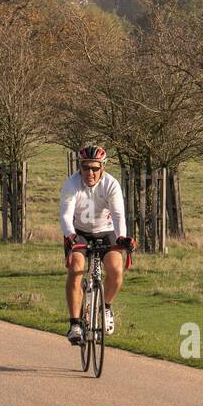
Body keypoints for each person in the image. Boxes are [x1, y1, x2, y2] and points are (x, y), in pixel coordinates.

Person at [59, 145, 133, 345]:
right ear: (79, 168)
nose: (89, 173)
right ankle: (75, 323)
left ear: (103, 168)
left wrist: (122, 237)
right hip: (79, 233)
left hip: (106, 231)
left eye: (94, 168)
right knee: (76, 269)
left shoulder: (111, 184)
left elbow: (118, 215)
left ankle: (106, 307)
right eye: (85, 168)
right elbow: (65, 215)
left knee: (116, 270)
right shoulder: (71, 184)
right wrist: (70, 235)